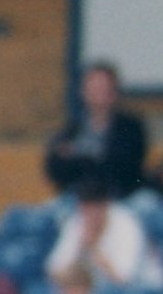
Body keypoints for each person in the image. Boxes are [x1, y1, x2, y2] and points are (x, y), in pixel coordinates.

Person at [43, 61, 147, 198]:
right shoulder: (72, 130)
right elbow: (54, 168)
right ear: (84, 92)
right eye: (94, 88)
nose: (99, 94)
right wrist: (94, 159)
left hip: (119, 197)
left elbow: (123, 167)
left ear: (115, 92)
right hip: (78, 198)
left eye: (104, 88)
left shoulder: (131, 128)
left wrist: (77, 156)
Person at [45, 176, 163, 290]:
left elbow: (124, 280)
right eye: (85, 209)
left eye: (94, 210)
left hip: (144, 290)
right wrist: (79, 250)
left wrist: (93, 249)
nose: (90, 216)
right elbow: (53, 272)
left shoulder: (127, 224)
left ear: (105, 205)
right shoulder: (77, 222)